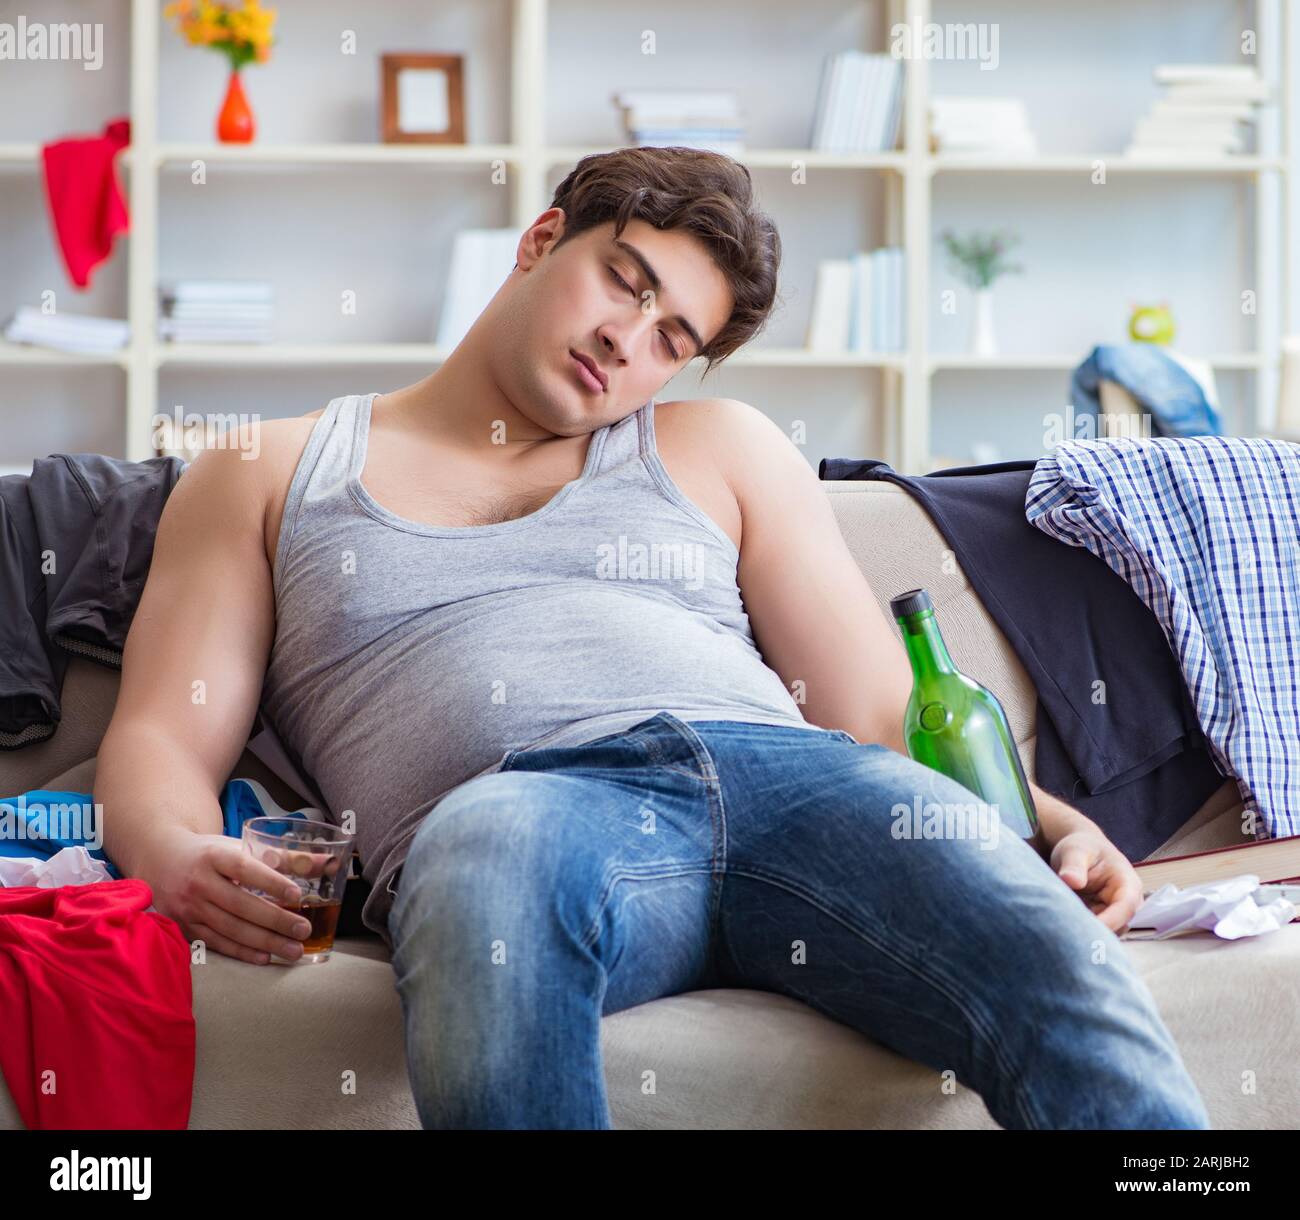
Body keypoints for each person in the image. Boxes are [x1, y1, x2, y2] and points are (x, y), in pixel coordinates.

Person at [97, 146, 1210, 1130]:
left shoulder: (720, 445)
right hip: (523, 808)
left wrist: (1058, 825)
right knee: (488, 859)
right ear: (541, 242)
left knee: (1053, 958)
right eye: (623, 282)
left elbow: (877, 714)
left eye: (672, 335)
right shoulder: (272, 467)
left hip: (805, 789)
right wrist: (176, 851)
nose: (626, 341)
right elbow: (160, 738)